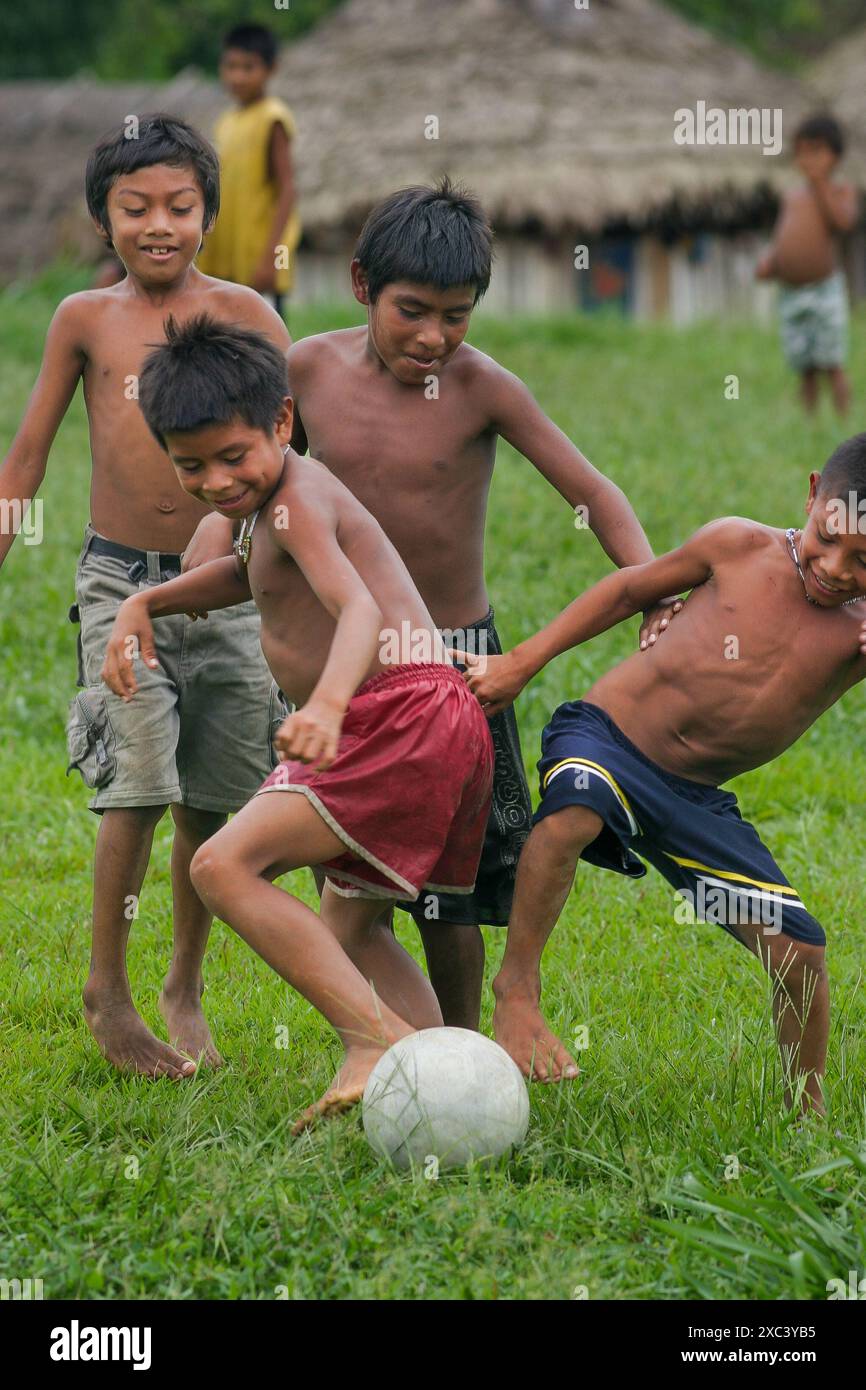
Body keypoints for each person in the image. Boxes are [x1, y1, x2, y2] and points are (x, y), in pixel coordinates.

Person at [182, 178, 680, 1029]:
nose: (434, 336)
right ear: (361, 284)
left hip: (457, 664)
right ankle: (391, 1044)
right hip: (343, 656)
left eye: (457, 316)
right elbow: (253, 486)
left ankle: (463, 1046)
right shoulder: (306, 371)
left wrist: (650, 590)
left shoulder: (485, 388)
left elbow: (590, 489)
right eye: (413, 310)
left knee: (459, 890)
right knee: (351, 870)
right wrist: (195, 571)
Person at [101, 313, 494, 1127]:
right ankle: (448, 1088)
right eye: (191, 467)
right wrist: (145, 600)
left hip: (391, 714)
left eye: (233, 456)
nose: (215, 482)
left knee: (222, 867)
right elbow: (248, 581)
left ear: (283, 421)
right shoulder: (274, 507)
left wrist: (325, 705)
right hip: (436, 716)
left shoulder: (297, 502)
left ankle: (369, 1041)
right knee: (352, 928)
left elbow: (354, 610)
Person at [0, 114, 291, 1079]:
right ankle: (108, 993)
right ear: (103, 219)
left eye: (178, 206)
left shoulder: (249, 312)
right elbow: (30, 455)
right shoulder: (83, 319)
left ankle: (183, 986)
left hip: (233, 586)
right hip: (119, 581)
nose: (157, 224)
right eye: (135, 209)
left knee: (213, 799)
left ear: (208, 215)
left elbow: (300, 450)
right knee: (135, 787)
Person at [464, 436, 866, 1113]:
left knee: (799, 950)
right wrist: (523, 662)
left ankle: (809, 1113)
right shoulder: (738, 545)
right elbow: (626, 591)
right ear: (812, 494)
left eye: (865, 562)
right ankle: (518, 989)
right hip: (608, 740)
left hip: (693, 802)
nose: (835, 568)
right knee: (576, 806)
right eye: (830, 538)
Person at [756, 113, 858, 416]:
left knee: (832, 361)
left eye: (816, 151)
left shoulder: (841, 192)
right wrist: (772, 262)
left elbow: (843, 221)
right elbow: (783, 237)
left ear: (835, 156)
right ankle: (809, 419)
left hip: (824, 291)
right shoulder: (792, 196)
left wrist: (822, 185)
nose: (807, 159)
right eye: (801, 152)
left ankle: (842, 417)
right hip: (791, 293)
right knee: (805, 365)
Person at [196, 23, 300, 318]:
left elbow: (288, 190)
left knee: (261, 345)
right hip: (223, 255)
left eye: (248, 67)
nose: (237, 76)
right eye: (230, 66)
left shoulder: (273, 118)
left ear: (271, 68)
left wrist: (271, 257)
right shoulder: (226, 121)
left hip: (257, 258)